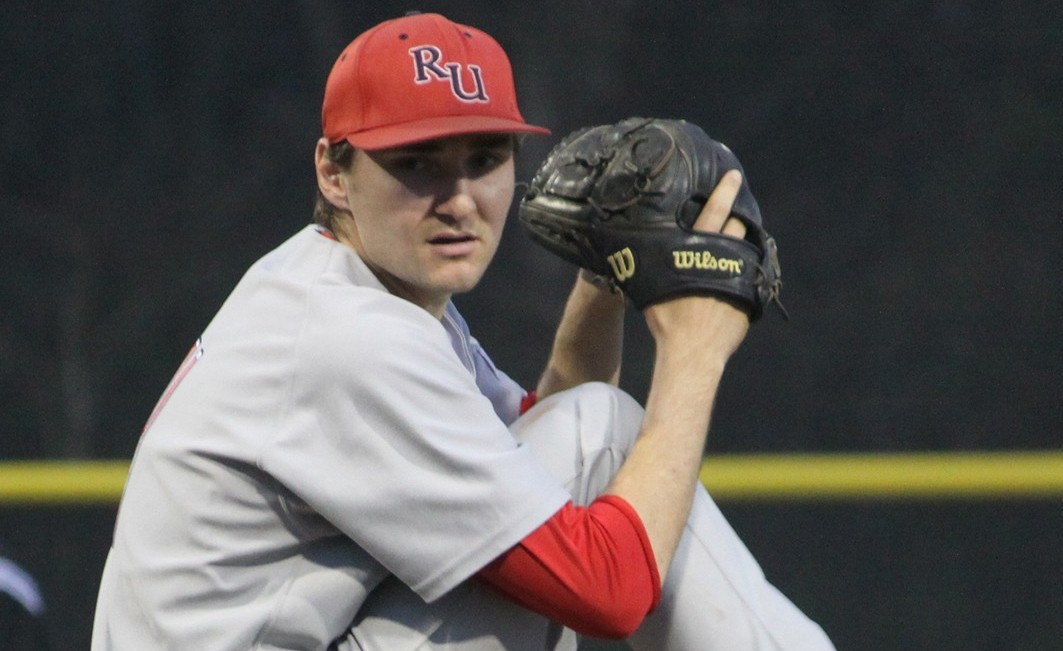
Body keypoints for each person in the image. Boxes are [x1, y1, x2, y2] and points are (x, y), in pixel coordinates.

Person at [91, 11, 833, 650]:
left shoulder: (346, 288)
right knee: (602, 435)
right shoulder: (348, 338)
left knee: (591, 429)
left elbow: (541, 454)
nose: (459, 200)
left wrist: (604, 281)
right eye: (417, 163)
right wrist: (694, 351)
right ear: (332, 171)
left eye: (484, 160)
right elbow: (607, 589)